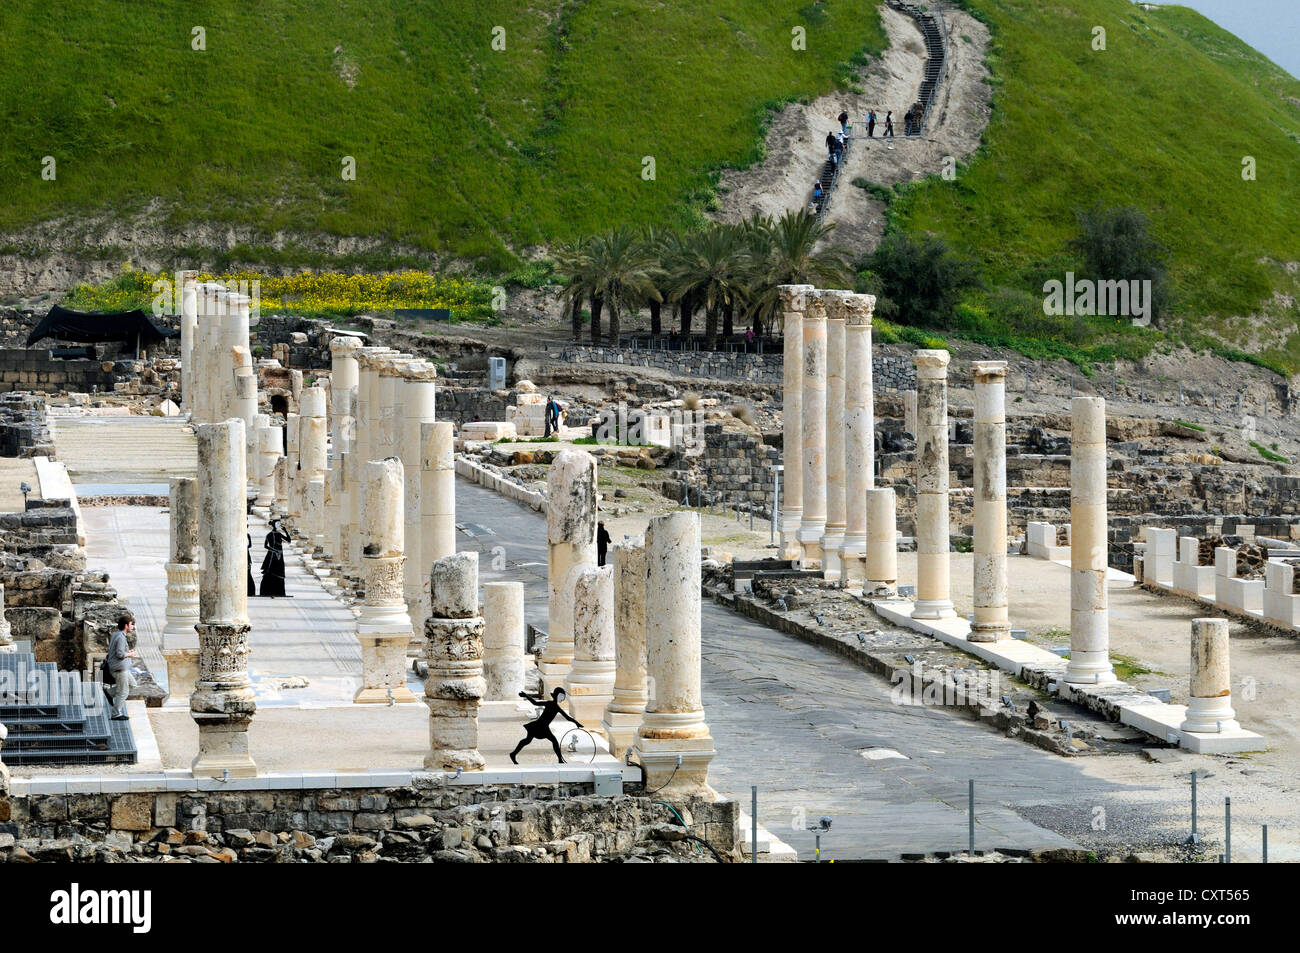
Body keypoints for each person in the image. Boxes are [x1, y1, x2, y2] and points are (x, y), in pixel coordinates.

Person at [510, 688, 584, 763]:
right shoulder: (552, 705)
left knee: (529, 740)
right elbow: (535, 703)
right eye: (561, 696)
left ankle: (513, 754)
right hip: (540, 726)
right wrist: (526, 696)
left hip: (542, 726)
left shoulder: (554, 706)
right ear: (557, 696)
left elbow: (567, 717)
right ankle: (560, 760)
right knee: (532, 741)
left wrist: (576, 723)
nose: (562, 698)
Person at [106, 614, 137, 721]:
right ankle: (116, 714)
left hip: (121, 668)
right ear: (126, 625)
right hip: (119, 669)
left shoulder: (117, 634)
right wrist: (130, 654)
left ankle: (108, 693)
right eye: (131, 624)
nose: (132, 626)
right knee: (123, 692)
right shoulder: (121, 637)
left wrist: (127, 652)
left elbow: (117, 651)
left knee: (133, 684)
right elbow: (119, 654)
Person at [258, 518, 291, 598]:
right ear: (274, 525)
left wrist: (285, 531)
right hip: (272, 555)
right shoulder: (269, 534)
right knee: (271, 571)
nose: (279, 525)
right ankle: (268, 591)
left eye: (279, 524)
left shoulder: (279, 534)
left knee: (279, 571)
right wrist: (275, 551)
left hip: (280, 554)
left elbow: (288, 540)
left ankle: (279, 592)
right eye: (278, 524)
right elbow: (266, 546)